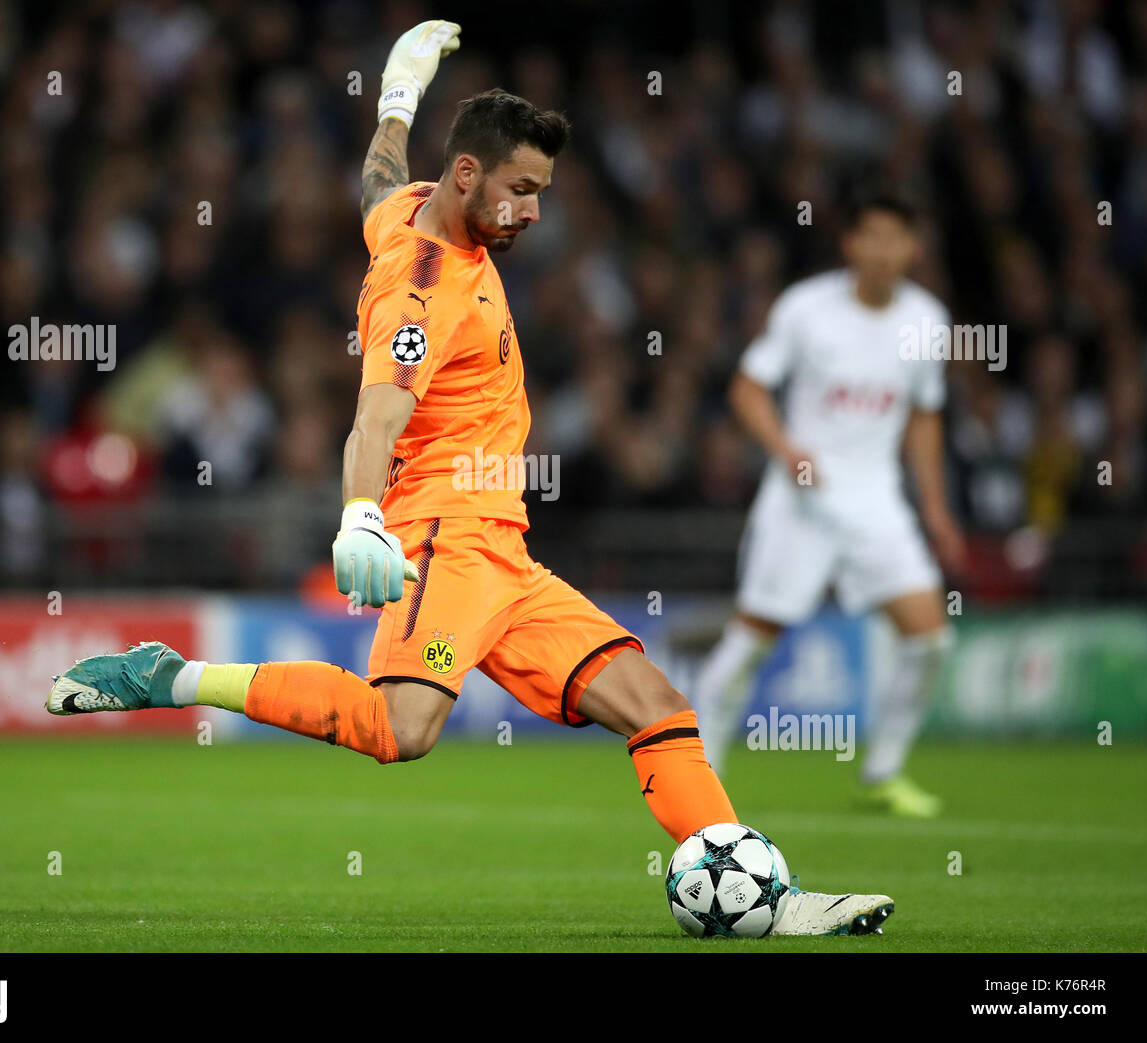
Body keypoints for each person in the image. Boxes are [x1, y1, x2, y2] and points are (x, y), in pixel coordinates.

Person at [47, 21, 892, 935]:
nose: (533, 211)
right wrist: (361, 514)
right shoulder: (419, 290)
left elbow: (375, 177)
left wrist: (398, 94)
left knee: (656, 704)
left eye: (543, 194)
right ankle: (173, 677)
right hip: (443, 535)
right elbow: (377, 413)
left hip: (504, 553)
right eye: (522, 190)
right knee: (401, 730)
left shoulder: (408, 207)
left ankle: (765, 898)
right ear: (466, 177)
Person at [695, 186, 965, 818]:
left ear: (913, 247)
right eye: (869, 235)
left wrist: (936, 509)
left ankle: (881, 773)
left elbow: (926, 419)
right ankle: (700, 777)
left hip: (876, 502)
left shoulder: (927, 320)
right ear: (850, 243)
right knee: (751, 639)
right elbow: (747, 388)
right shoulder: (806, 309)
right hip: (803, 501)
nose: (882, 250)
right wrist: (786, 448)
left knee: (930, 640)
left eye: (895, 238)